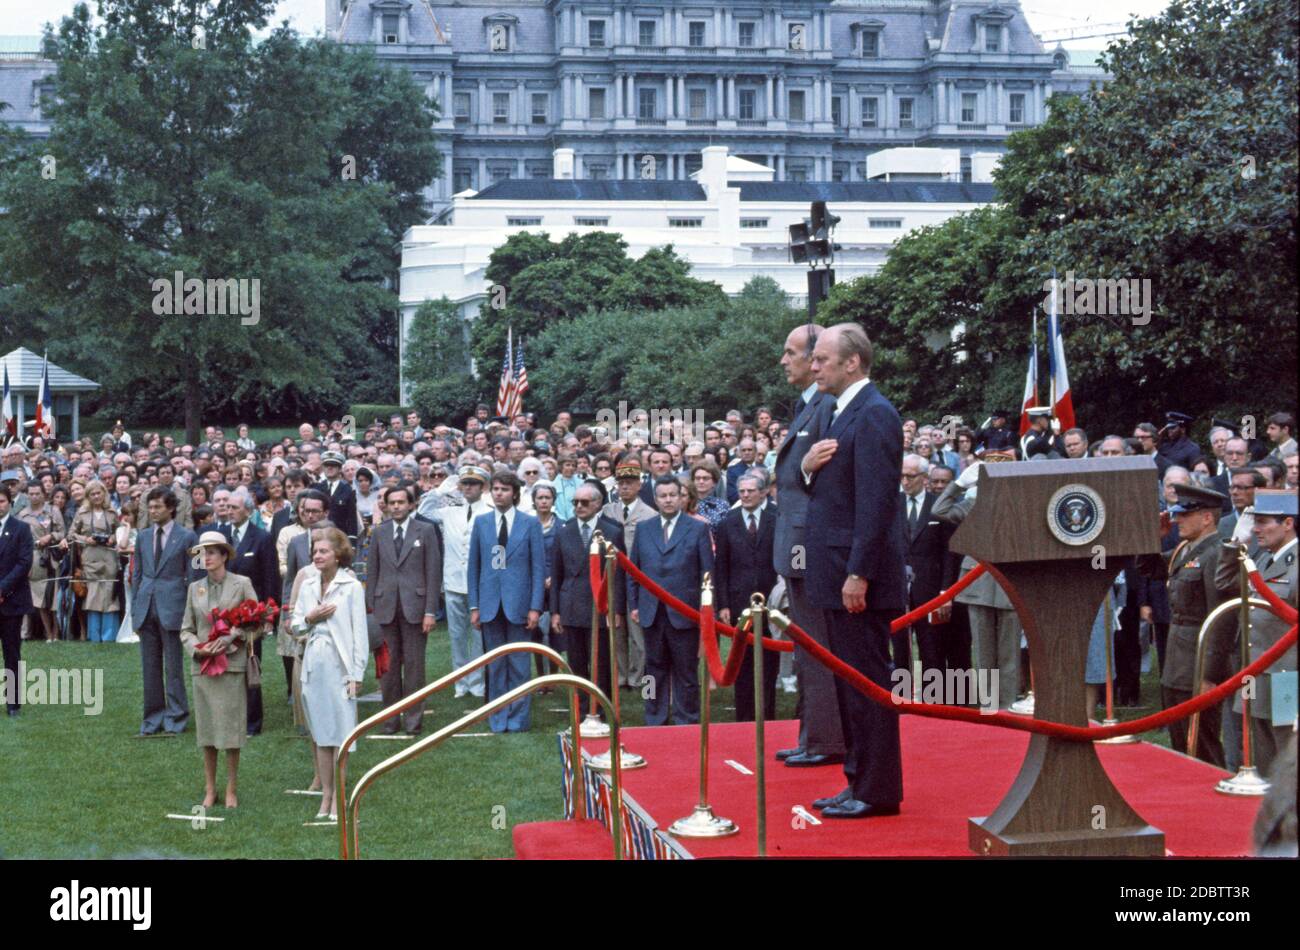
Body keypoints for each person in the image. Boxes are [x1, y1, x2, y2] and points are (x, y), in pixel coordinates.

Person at [798, 323, 906, 820]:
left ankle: (878, 788)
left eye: (821, 359)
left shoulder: (875, 414)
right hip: (837, 570)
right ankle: (857, 781)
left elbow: (876, 504)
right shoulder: (842, 411)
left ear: (852, 363)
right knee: (849, 683)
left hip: (856, 576)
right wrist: (806, 469)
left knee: (867, 684)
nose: (813, 367)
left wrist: (859, 573)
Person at [772, 323, 846, 766]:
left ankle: (826, 740)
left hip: (812, 548)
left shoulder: (827, 406)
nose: (785, 361)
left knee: (819, 647)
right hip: (796, 546)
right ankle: (812, 734)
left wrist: (801, 468)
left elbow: (824, 477)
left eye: (792, 352)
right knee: (806, 649)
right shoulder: (807, 407)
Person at [1138, 483, 1232, 766]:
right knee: (1181, 739)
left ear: (1206, 518)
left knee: (1201, 740)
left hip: (1198, 658)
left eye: (1184, 515)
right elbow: (1149, 569)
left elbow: (1222, 616)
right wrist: (1153, 537)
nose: (1177, 519)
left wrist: (1210, 674)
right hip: (1178, 658)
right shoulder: (1184, 549)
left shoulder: (1217, 553)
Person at [1213, 488, 1297, 777]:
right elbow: (1224, 582)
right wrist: (1235, 543)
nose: (1256, 529)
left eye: (1264, 522)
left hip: (1288, 677)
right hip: (1257, 670)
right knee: (1260, 756)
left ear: (1288, 523)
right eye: (1255, 521)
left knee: (1287, 757)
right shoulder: (1262, 559)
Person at [933, 451, 1022, 711]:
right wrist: (959, 483)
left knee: (1009, 653)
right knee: (983, 652)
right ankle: (989, 707)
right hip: (978, 580)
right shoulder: (973, 503)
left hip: (1010, 581)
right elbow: (940, 510)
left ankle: (1007, 706)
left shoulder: (1020, 502)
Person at [293, 526, 369, 822]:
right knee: (322, 733)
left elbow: (359, 634)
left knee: (341, 732)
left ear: (338, 554)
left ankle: (338, 796)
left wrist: (357, 673)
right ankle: (325, 795)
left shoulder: (350, 587)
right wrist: (311, 618)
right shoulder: (310, 584)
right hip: (314, 664)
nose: (317, 555)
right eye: (315, 551)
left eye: (323, 551)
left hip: (341, 668)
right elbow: (296, 625)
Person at [179, 531, 258, 808]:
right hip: (203, 667)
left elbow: (257, 622)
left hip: (232, 665)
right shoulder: (194, 588)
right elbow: (185, 629)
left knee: (231, 730)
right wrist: (197, 648)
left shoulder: (242, 583)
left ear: (225, 555)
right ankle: (210, 789)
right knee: (208, 731)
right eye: (203, 552)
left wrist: (231, 636)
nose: (207, 557)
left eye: (212, 551)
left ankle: (231, 789)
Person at [627, 475, 714, 726]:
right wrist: (634, 604)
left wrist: (705, 610)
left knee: (686, 670)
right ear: (655, 499)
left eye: (672, 495)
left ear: (681, 497)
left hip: (684, 612)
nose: (667, 500)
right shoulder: (644, 528)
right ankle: (653, 716)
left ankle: (687, 718)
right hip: (650, 611)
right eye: (662, 496)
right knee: (652, 670)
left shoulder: (698, 528)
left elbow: (707, 573)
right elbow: (634, 570)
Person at [467, 471, 546, 733]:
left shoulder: (530, 523)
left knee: (520, 664)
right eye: (496, 489)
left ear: (515, 493)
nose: (499, 493)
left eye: (504, 489)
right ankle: (498, 718)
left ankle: (518, 719)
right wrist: (475, 606)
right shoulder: (481, 523)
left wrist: (536, 606)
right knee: (495, 665)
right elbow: (474, 567)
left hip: (520, 605)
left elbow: (538, 568)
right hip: (490, 604)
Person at [366, 485, 441, 735]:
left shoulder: (427, 530)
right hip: (385, 607)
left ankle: (413, 720)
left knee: (414, 666)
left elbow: (433, 573)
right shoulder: (379, 532)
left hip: (415, 608)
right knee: (387, 667)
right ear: (385, 506)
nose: (397, 506)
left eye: (401, 502)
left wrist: (430, 610)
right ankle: (390, 718)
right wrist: (371, 610)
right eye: (392, 502)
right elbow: (372, 572)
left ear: (411, 505)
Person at [550, 482, 625, 713]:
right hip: (571, 606)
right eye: (575, 503)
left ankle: (602, 707)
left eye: (584, 502)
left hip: (601, 606)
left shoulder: (612, 531)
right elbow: (556, 574)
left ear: (597, 503)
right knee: (577, 662)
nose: (579, 507)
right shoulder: (564, 531)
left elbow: (620, 574)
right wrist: (555, 611)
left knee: (602, 662)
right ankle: (581, 708)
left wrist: (617, 609)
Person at [131, 487, 198, 736]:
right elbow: (136, 575)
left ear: (171, 508)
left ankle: (176, 717)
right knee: (149, 668)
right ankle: (152, 719)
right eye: (150, 507)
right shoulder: (142, 536)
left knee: (174, 667)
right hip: (147, 608)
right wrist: (137, 609)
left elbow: (196, 576)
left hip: (174, 608)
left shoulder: (189, 537)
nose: (153, 511)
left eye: (158, 506)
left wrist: (192, 613)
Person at [420, 465, 491, 698]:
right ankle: (460, 682)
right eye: (465, 483)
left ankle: (478, 681)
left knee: (479, 635)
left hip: (480, 583)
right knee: (457, 634)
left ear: (482, 487)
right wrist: (440, 490)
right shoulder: (450, 511)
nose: (468, 488)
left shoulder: (489, 510)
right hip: (452, 581)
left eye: (473, 483)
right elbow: (423, 510)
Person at [714, 473, 779, 722]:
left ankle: (767, 714)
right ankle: (744, 716)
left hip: (771, 602)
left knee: (769, 659)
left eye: (751, 491)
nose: (745, 495)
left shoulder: (777, 518)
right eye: (741, 491)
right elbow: (721, 568)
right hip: (738, 601)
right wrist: (724, 605)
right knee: (742, 662)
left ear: (763, 492)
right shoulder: (727, 523)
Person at [217, 488, 278, 736]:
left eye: (234, 507)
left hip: (250, 616)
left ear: (248, 510)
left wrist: (269, 616)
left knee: (250, 665)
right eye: (227, 507)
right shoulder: (218, 536)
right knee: (223, 666)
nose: (229, 511)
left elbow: (270, 578)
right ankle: (227, 717)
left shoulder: (261, 537)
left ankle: (252, 721)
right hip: (221, 614)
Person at [603, 458, 658, 689]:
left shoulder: (649, 514)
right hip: (613, 576)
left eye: (630, 482)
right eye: (621, 482)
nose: (625, 487)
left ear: (639, 485)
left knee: (638, 631)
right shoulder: (607, 511)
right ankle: (620, 675)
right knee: (615, 628)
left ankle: (637, 677)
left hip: (637, 577)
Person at [0, 485, 35, 716]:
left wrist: (2, 588)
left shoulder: (21, 529)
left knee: (11, 652)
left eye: (1, 501)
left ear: (10, 503)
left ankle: (13, 703)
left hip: (11, 601)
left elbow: (24, 563)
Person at [71, 479, 120, 642]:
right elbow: (72, 534)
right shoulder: (82, 513)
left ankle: (109, 635)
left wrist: (113, 538)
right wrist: (86, 539)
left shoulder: (112, 513)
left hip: (109, 556)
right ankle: (94, 635)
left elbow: (119, 531)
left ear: (104, 494)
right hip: (90, 556)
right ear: (88, 496)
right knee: (93, 594)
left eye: (99, 493)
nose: (96, 496)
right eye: (92, 494)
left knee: (109, 592)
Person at [19, 483, 64, 641]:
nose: (34, 497)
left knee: (53, 596)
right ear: (27, 495)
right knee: (39, 598)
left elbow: (62, 532)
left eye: (38, 493)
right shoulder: (23, 515)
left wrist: (51, 536)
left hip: (52, 556)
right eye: (31, 494)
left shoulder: (53, 510)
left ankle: (56, 632)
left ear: (44, 494)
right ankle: (48, 633)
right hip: (35, 557)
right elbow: (21, 541)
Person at [318, 451, 358, 538]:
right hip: (319, 534)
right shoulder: (317, 488)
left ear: (340, 469)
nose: (329, 468)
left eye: (333, 465)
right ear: (323, 468)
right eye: (326, 465)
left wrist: (352, 540)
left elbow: (352, 519)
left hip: (340, 536)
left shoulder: (348, 490)